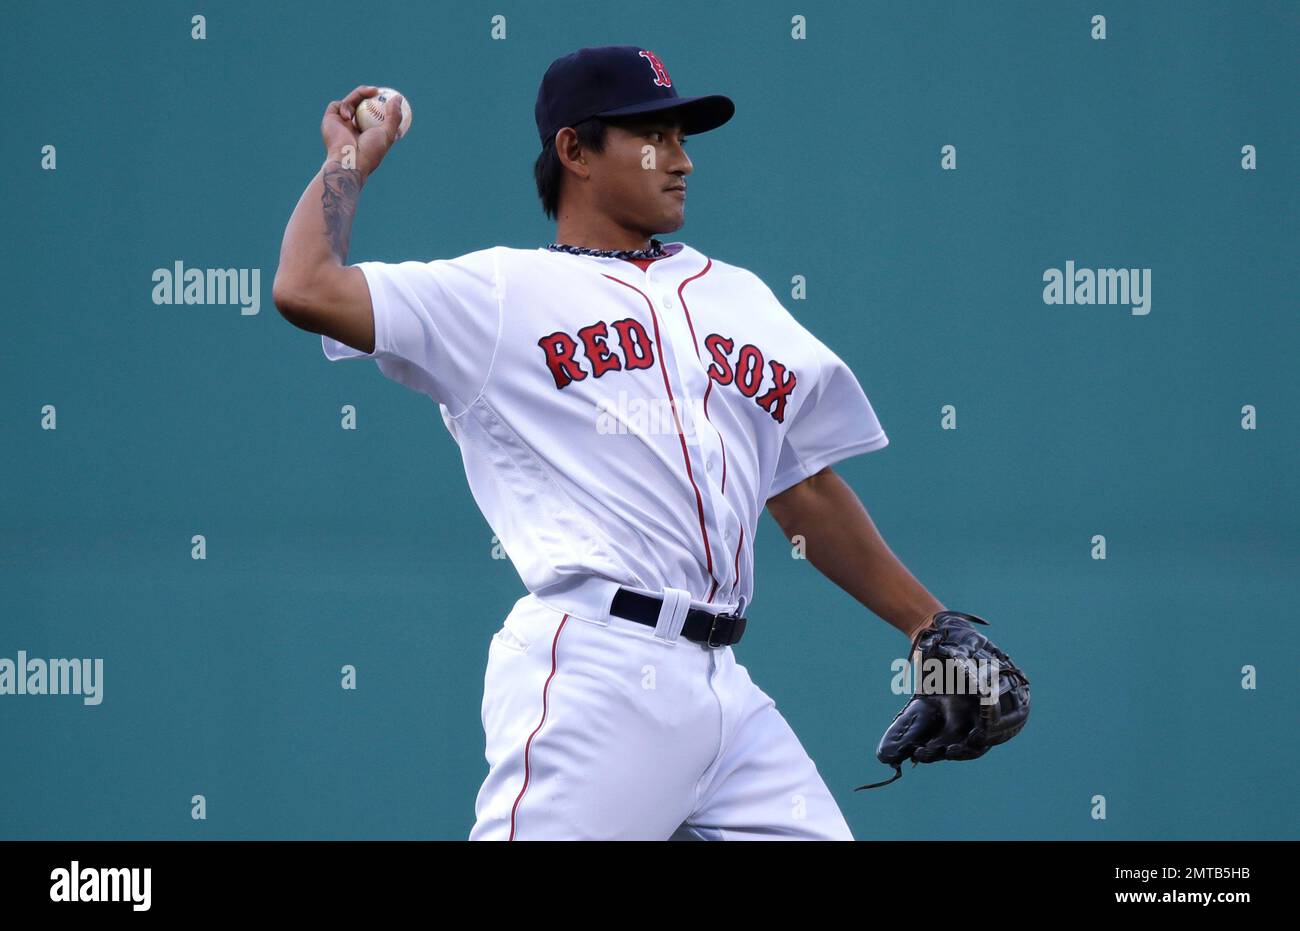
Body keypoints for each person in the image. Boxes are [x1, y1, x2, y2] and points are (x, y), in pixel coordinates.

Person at [272, 45, 948, 840]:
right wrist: (349, 159)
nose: (683, 161)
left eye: (684, 138)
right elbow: (306, 287)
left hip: (725, 690)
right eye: (653, 137)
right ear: (574, 151)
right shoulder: (497, 295)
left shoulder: (737, 295)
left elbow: (798, 486)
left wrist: (929, 627)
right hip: (595, 670)